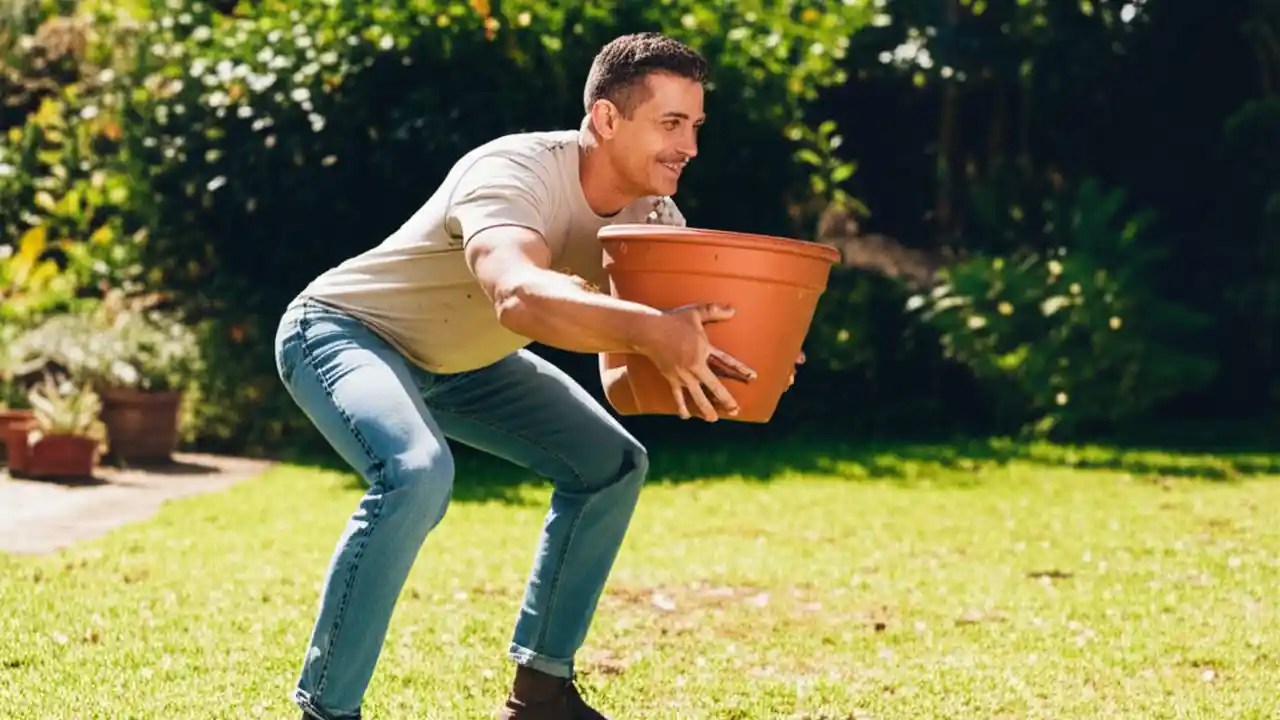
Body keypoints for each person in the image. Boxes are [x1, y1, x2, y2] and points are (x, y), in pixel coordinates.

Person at [274, 32, 794, 719]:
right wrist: (647, 327)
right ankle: (326, 709)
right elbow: (515, 294)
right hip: (346, 330)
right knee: (416, 473)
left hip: (466, 364)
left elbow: (623, 380)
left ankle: (541, 694)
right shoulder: (514, 171)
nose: (690, 146)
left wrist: (736, 356)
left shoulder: (654, 217)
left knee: (610, 464)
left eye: (695, 126)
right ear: (606, 118)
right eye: (670, 123)